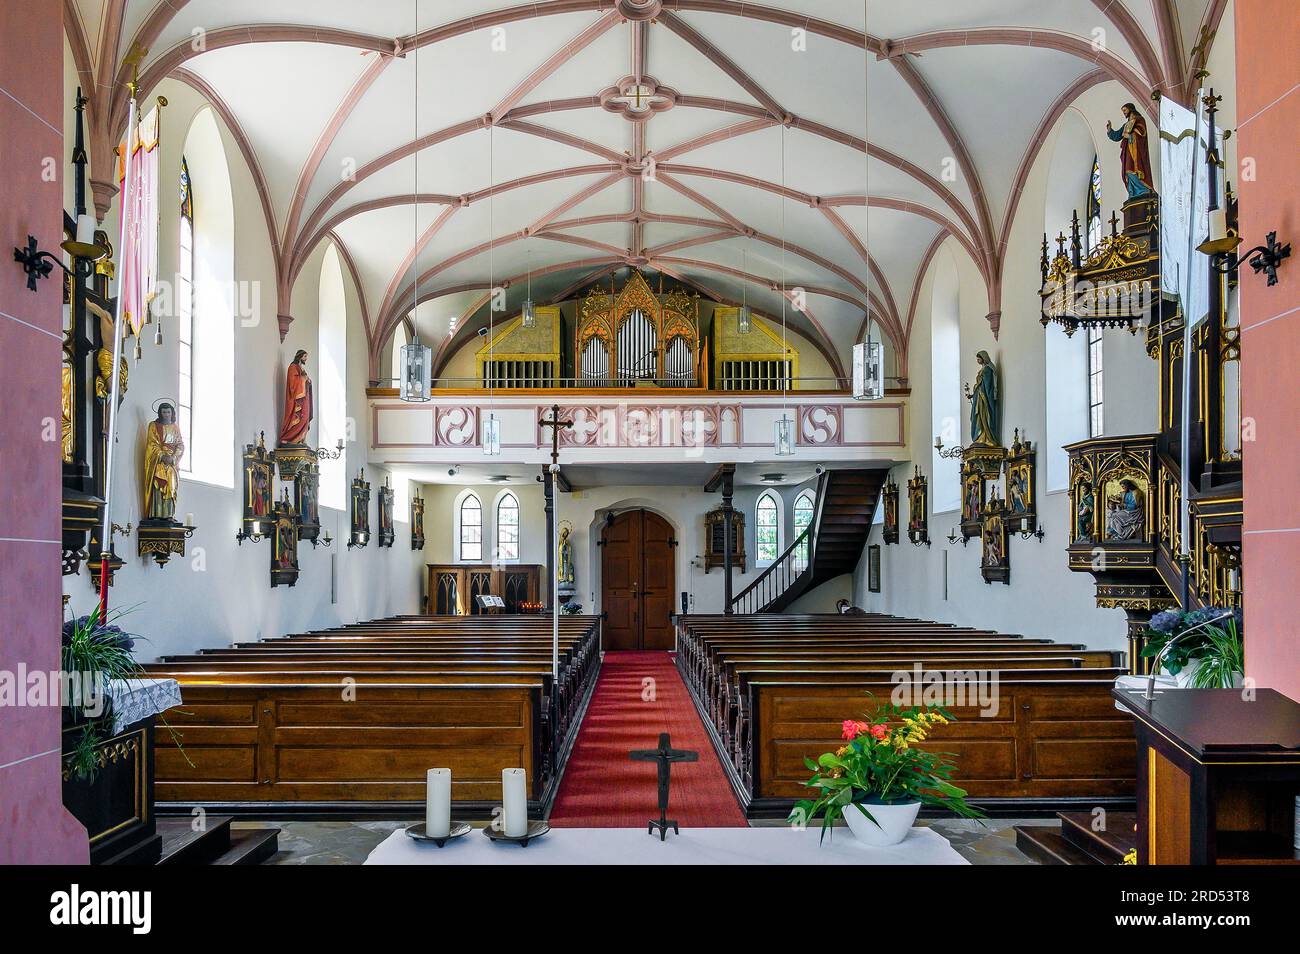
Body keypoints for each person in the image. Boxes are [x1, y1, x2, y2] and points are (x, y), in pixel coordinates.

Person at [143, 402, 184, 521]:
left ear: (172, 413)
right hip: (159, 463)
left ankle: (169, 514)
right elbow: (152, 443)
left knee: (170, 486)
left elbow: (180, 445)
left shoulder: (175, 428)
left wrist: (174, 458)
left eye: (168, 412)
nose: (166, 415)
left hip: (171, 463)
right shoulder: (153, 426)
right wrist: (161, 455)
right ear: (160, 413)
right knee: (158, 486)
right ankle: (157, 513)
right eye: (164, 412)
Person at [1106, 103, 1154, 199]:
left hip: (1137, 151)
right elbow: (1117, 136)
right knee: (1128, 170)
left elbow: (1142, 132)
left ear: (1130, 109)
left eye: (1125, 110)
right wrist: (1110, 130)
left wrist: (1131, 136)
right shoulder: (1126, 124)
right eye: (1123, 111)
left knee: (1134, 169)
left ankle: (1143, 189)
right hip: (1128, 150)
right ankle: (1133, 192)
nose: (1124, 112)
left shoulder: (1139, 119)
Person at [278, 349, 313, 446]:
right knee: (299, 418)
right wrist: (304, 379)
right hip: (296, 400)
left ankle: (300, 439)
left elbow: (304, 379)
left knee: (305, 418)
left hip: (303, 399)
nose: (306, 359)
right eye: (305, 356)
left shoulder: (300, 368)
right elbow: (293, 383)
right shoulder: (293, 367)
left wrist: (308, 381)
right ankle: (289, 438)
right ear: (300, 357)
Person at [965, 351, 1000, 446]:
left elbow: (988, 385)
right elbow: (979, 385)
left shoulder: (987, 370)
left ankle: (986, 437)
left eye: (979, 359)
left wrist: (979, 387)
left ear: (984, 358)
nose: (978, 361)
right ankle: (980, 437)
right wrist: (972, 395)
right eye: (977, 359)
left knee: (984, 415)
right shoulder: (982, 370)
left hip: (983, 398)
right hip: (978, 397)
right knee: (977, 417)